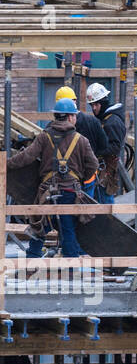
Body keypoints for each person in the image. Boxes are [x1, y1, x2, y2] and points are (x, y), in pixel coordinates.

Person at [10, 98, 100, 258]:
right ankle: (71, 270)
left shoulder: (44, 137)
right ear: (71, 117)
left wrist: (6, 164)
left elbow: (26, 157)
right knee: (68, 230)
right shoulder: (81, 140)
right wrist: (80, 179)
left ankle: (31, 263)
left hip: (47, 193)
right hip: (70, 192)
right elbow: (93, 165)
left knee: (40, 227)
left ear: (56, 116)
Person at [85, 82, 125, 200]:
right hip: (100, 168)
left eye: (96, 104)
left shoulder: (112, 122)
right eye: (92, 105)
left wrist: (96, 150)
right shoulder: (104, 120)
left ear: (103, 102)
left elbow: (115, 147)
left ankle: (109, 219)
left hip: (107, 169)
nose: (94, 108)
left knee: (105, 201)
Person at [53, 86, 109, 159]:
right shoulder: (93, 121)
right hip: (90, 166)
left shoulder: (52, 127)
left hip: (64, 168)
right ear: (75, 101)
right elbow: (104, 146)